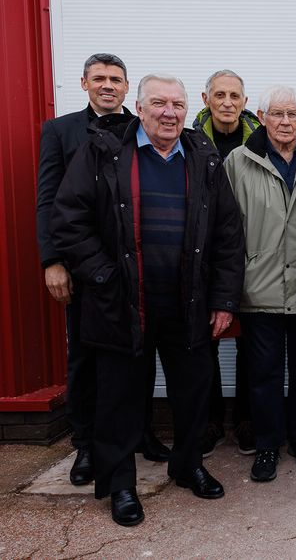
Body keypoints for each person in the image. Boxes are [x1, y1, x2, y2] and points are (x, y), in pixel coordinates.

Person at [50, 74, 245, 527]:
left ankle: (188, 463)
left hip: (188, 302)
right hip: (121, 303)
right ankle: (121, 484)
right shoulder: (103, 151)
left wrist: (224, 300)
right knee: (119, 398)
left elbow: (228, 235)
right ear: (139, 108)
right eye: (159, 103)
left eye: (176, 104)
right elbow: (68, 219)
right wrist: (101, 274)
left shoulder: (203, 156)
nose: (169, 112)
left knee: (193, 392)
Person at [35, 53, 170, 487]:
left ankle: (141, 432)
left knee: (140, 355)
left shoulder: (141, 127)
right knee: (86, 357)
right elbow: (51, 199)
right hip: (84, 270)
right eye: (99, 78)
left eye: (115, 79)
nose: (107, 85)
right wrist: (53, 260)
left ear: (128, 88)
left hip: (137, 272)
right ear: (84, 83)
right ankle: (87, 445)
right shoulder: (61, 131)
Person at [224, 85, 296, 482]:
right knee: (262, 373)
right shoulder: (238, 160)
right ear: (261, 116)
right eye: (277, 114)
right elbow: (227, 230)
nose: (285, 122)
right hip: (258, 290)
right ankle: (266, 445)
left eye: (293, 114)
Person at [194, 69, 262, 456]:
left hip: (250, 256)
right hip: (204, 258)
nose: (227, 102)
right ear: (206, 99)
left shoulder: (261, 141)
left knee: (251, 344)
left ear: (245, 101)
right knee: (205, 342)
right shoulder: (190, 141)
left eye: (234, 95)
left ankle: (247, 421)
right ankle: (210, 422)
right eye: (219, 95)